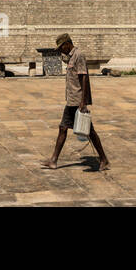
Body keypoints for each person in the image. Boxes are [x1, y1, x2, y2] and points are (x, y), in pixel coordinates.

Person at [42, 33, 109, 171]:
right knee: (64, 128)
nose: (61, 50)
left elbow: (84, 77)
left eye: (61, 47)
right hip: (72, 99)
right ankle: (53, 160)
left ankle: (103, 159)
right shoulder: (72, 56)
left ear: (67, 44)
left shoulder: (79, 55)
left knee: (88, 131)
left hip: (77, 100)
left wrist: (83, 102)